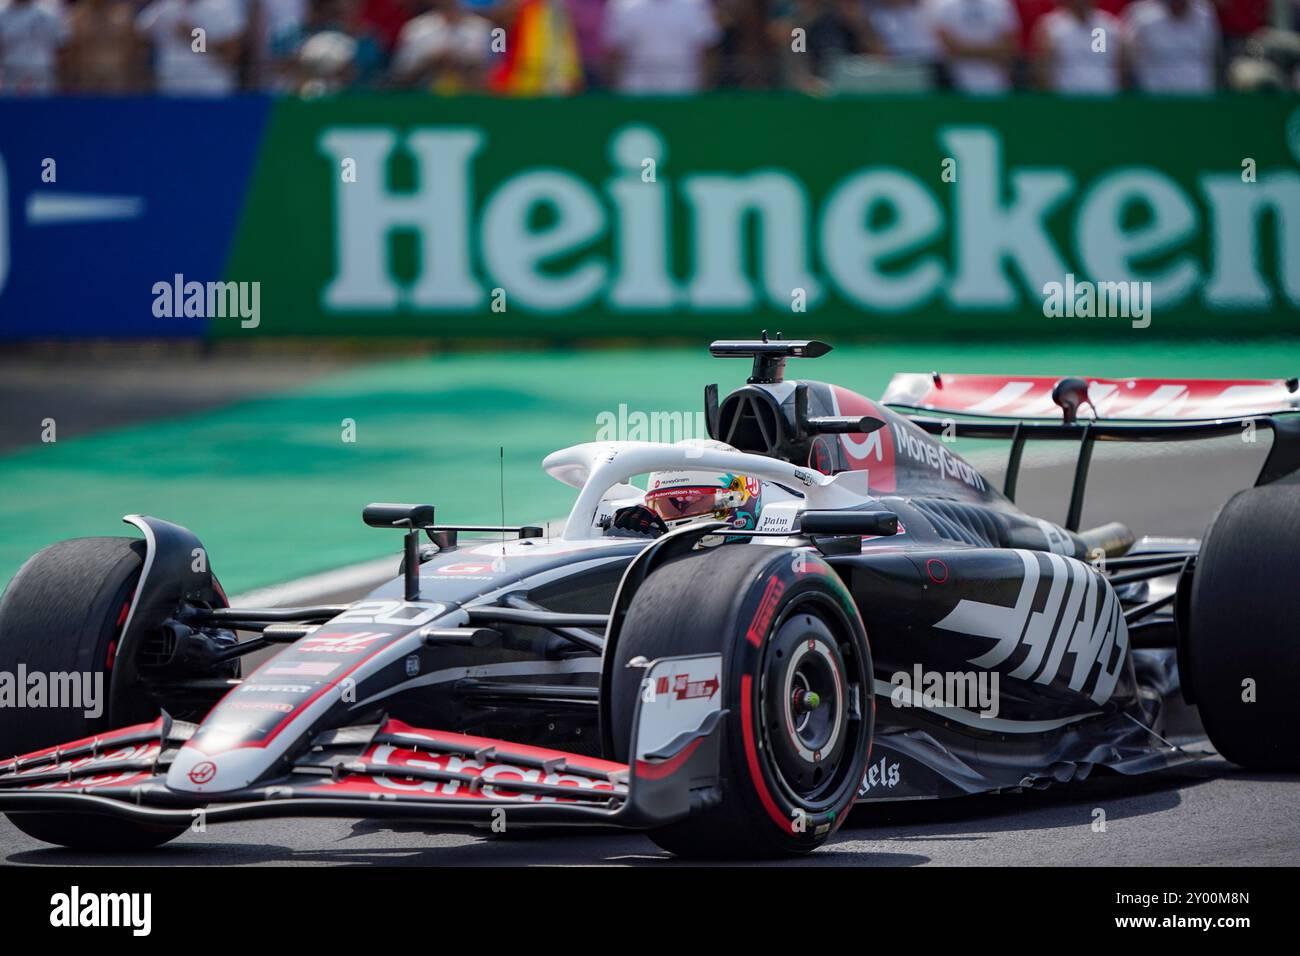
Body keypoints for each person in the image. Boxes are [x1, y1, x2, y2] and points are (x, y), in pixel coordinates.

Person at [602, 0, 719, 94]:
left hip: (684, 88)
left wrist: (706, 86)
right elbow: (615, 51)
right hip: (635, 90)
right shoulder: (621, 5)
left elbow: (709, 48)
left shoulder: (696, 4)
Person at [136, 0, 248, 94]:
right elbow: (137, 37)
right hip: (171, 90)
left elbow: (231, 57)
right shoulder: (164, 7)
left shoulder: (223, 6)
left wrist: (194, 37)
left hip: (211, 91)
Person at [391, 0, 493, 91]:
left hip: (470, 98)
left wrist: (462, 61)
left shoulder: (482, 28)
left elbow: (492, 72)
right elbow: (401, 73)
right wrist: (429, 61)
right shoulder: (416, 29)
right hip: (423, 96)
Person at [1125, 0, 1219, 92]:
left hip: (1198, 96)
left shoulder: (1206, 15)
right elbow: (1128, 59)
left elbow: (1212, 55)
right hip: (1155, 97)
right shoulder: (1141, 15)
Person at [928, 0, 1020, 93]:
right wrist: (991, 52)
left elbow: (1009, 47)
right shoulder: (942, 6)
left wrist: (963, 50)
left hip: (997, 84)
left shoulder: (1001, 5)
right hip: (955, 82)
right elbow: (947, 49)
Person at [1031, 0, 1122, 92]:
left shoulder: (1110, 26)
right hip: (1066, 97)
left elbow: (1122, 66)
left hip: (1106, 96)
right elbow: (1043, 69)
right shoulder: (1051, 26)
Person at [62, 0, 144, 92]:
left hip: (118, 79)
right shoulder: (77, 17)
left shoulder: (123, 15)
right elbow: (70, 50)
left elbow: (133, 48)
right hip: (87, 79)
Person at [0, 0, 69, 94]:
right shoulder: (3, 15)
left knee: (43, 105)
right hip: (11, 71)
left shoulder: (50, 14)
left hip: (42, 71)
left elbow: (62, 46)